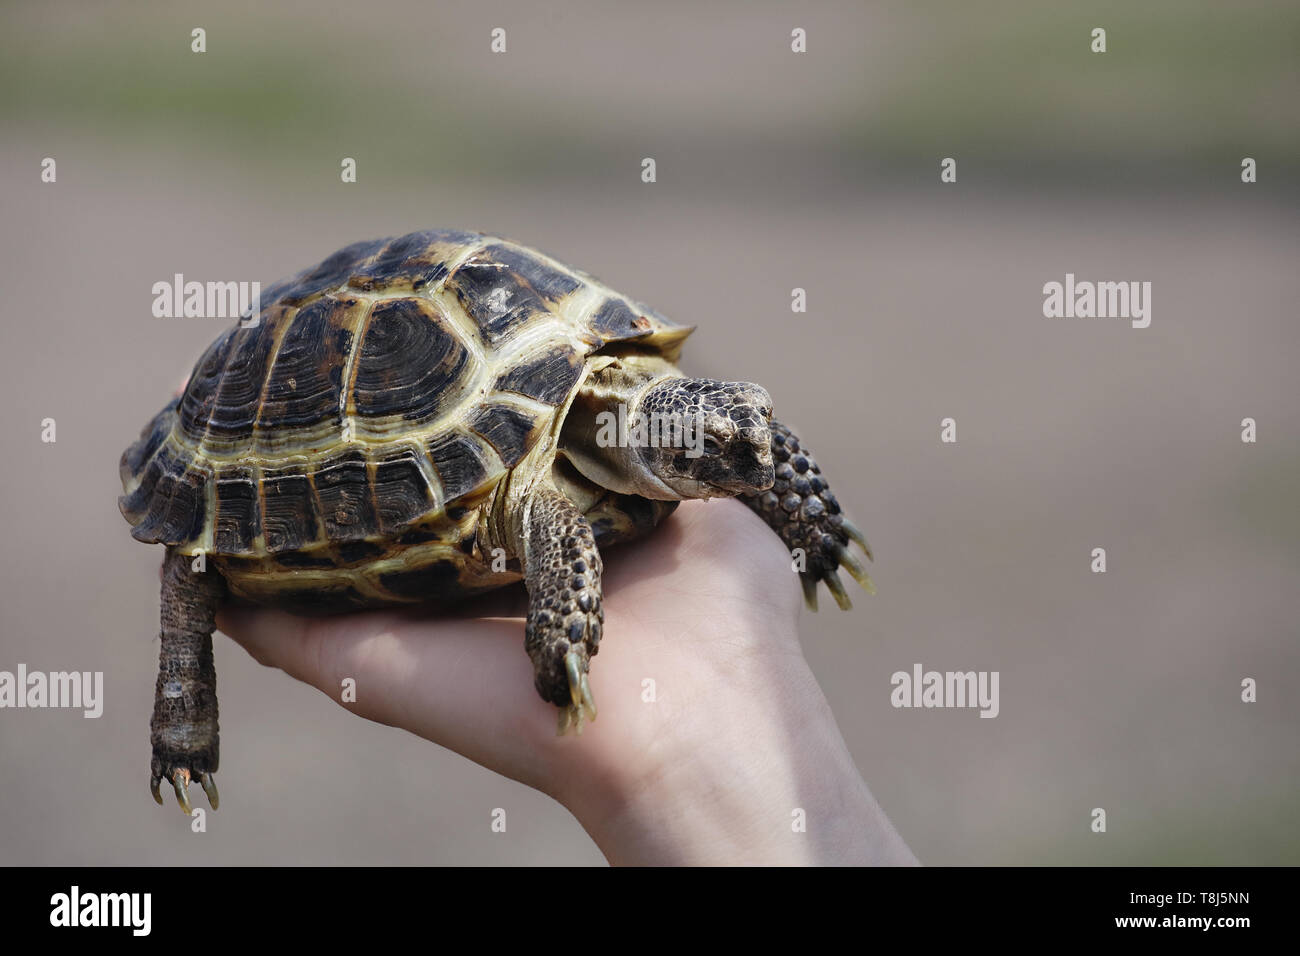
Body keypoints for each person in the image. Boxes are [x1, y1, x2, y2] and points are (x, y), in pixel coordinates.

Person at [217, 498, 918, 865]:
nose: (743, 457)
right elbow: (552, 517)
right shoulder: (553, 503)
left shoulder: (660, 435)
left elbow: (741, 434)